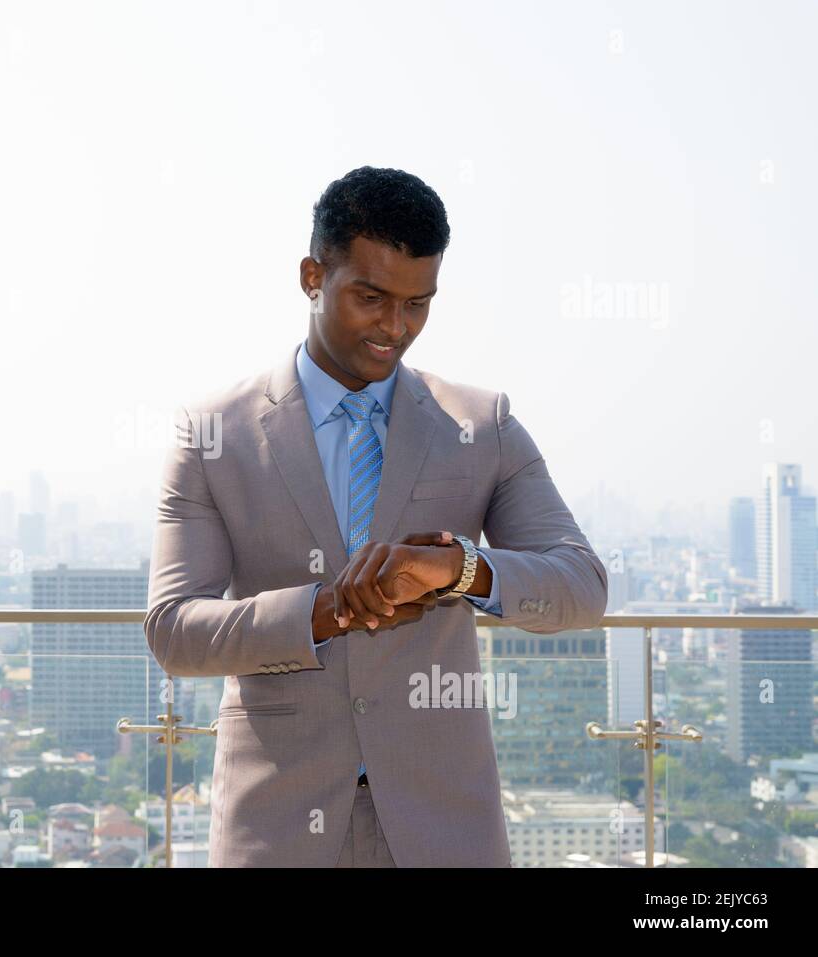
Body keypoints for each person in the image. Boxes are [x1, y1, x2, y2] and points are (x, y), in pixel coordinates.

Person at [144, 166, 608, 867]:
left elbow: (582, 585)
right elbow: (175, 631)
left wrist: (459, 570)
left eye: (418, 303)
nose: (395, 327)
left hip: (444, 825)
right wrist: (327, 610)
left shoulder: (481, 424)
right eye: (372, 297)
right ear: (311, 276)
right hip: (275, 821)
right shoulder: (214, 435)